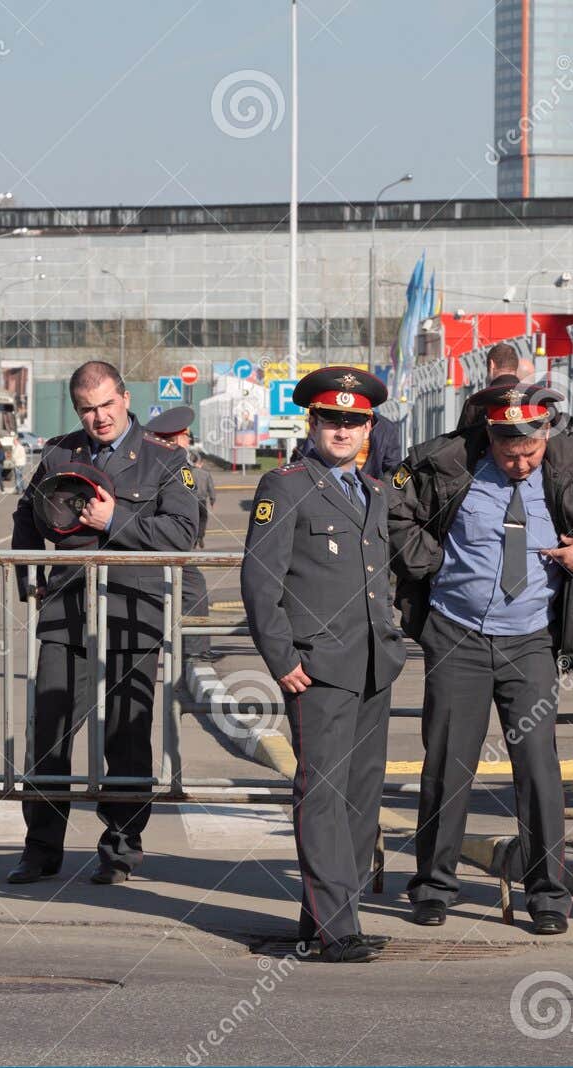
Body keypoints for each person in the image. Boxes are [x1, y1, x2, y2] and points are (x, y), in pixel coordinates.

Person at [390, 376, 573, 933]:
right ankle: (434, 887)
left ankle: (549, 896)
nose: (522, 464)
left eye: (531, 452)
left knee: (537, 767)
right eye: (511, 455)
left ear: (547, 434)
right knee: (446, 764)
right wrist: (431, 568)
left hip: (531, 638)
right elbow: (394, 514)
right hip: (456, 635)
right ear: (491, 436)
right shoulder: (443, 464)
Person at [6, 362, 199, 886]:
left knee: (126, 734)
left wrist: (113, 521)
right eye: (88, 409)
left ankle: (120, 846)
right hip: (66, 610)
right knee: (48, 732)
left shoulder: (164, 459)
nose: (99, 418)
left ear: (125, 397)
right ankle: (41, 848)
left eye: (107, 405)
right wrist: (30, 572)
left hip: (133, 611)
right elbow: (27, 514)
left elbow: (182, 532)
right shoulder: (58, 453)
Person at [242, 368, 408, 963]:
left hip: (371, 665)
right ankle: (336, 927)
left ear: (370, 427)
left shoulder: (374, 490)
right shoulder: (284, 486)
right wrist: (281, 658)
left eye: (355, 420)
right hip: (317, 668)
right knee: (323, 794)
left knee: (360, 797)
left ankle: (334, 916)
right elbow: (261, 581)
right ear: (312, 423)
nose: (343, 429)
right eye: (331, 419)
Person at [146, 406, 218, 662]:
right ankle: (195, 651)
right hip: (159, 542)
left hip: (159, 539)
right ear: (176, 439)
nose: (189, 441)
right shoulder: (172, 463)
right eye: (186, 436)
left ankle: (190, 646)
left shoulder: (153, 460)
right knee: (193, 587)